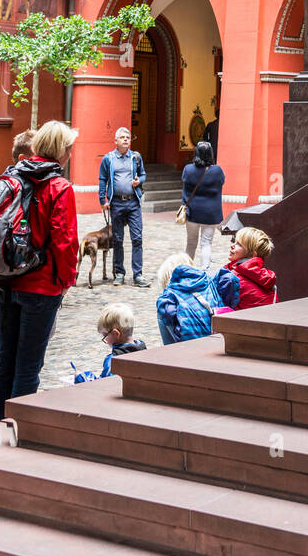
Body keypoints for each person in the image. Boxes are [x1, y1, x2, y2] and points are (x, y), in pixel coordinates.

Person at [0, 120, 79, 420]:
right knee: (28, 365)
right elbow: (64, 241)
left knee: (4, 360)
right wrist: (67, 281)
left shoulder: (13, 177)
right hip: (40, 287)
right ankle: (18, 429)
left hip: (4, 281)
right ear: (62, 151)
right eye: (70, 148)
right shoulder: (59, 186)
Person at [0, 128, 35, 415]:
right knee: (4, 359)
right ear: (26, 157)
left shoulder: (6, 185)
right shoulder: (18, 187)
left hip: (1, 282)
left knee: (2, 359)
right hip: (10, 283)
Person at [99, 127, 149, 287]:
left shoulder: (136, 157)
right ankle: (119, 273)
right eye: (122, 137)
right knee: (118, 240)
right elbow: (102, 179)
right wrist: (103, 200)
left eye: (128, 137)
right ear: (116, 141)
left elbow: (143, 175)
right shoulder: (109, 159)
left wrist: (138, 182)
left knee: (137, 238)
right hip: (117, 203)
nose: (126, 139)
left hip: (133, 202)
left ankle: (138, 275)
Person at [155, 252, 239, 345]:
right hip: (223, 343)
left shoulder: (169, 299)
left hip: (192, 351)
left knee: (163, 311)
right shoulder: (212, 283)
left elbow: (169, 344)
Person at [181, 139, 225, 269]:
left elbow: (184, 183)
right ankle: (205, 269)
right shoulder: (217, 171)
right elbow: (221, 182)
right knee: (206, 243)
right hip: (210, 214)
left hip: (193, 212)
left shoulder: (188, 169)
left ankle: (187, 268)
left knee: (191, 242)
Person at [227, 227, 278, 309]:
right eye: (234, 242)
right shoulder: (261, 275)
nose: (232, 245)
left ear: (252, 255)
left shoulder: (234, 278)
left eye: (239, 244)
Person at [96, 302, 146, 376]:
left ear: (116, 334)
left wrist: (81, 377)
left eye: (105, 336)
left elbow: (103, 383)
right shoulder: (143, 349)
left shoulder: (113, 361)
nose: (105, 340)